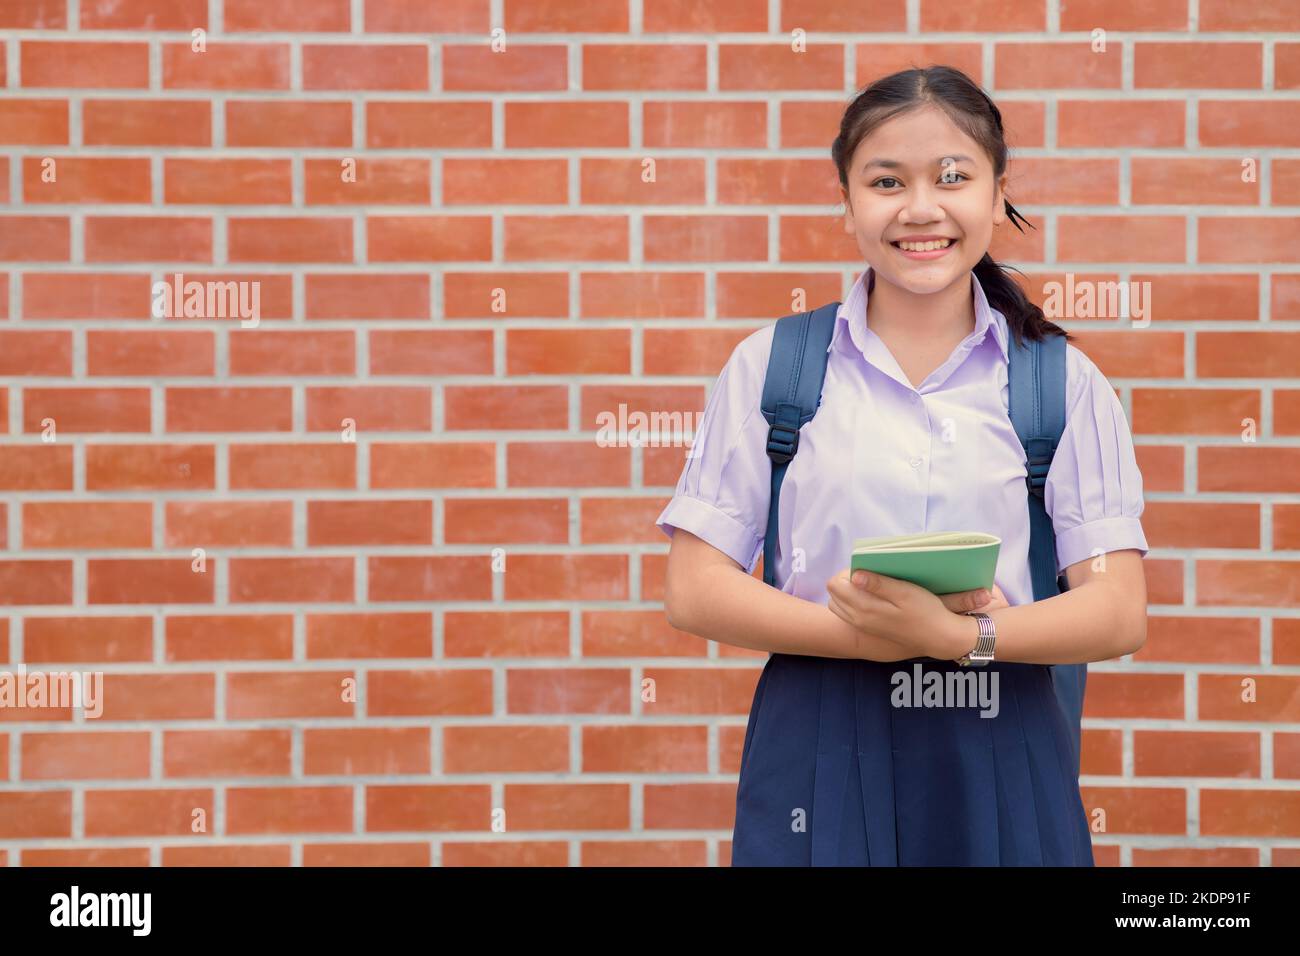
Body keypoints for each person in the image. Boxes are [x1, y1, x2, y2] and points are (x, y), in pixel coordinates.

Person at [655, 66, 1150, 866]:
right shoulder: (774, 369)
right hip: (817, 741)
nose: (921, 208)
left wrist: (966, 641)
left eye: (953, 177)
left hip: (1001, 739)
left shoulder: (1060, 381)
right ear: (847, 202)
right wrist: (870, 641)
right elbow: (693, 586)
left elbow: (1119, 612)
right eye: (886, 181)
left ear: (996, 194)